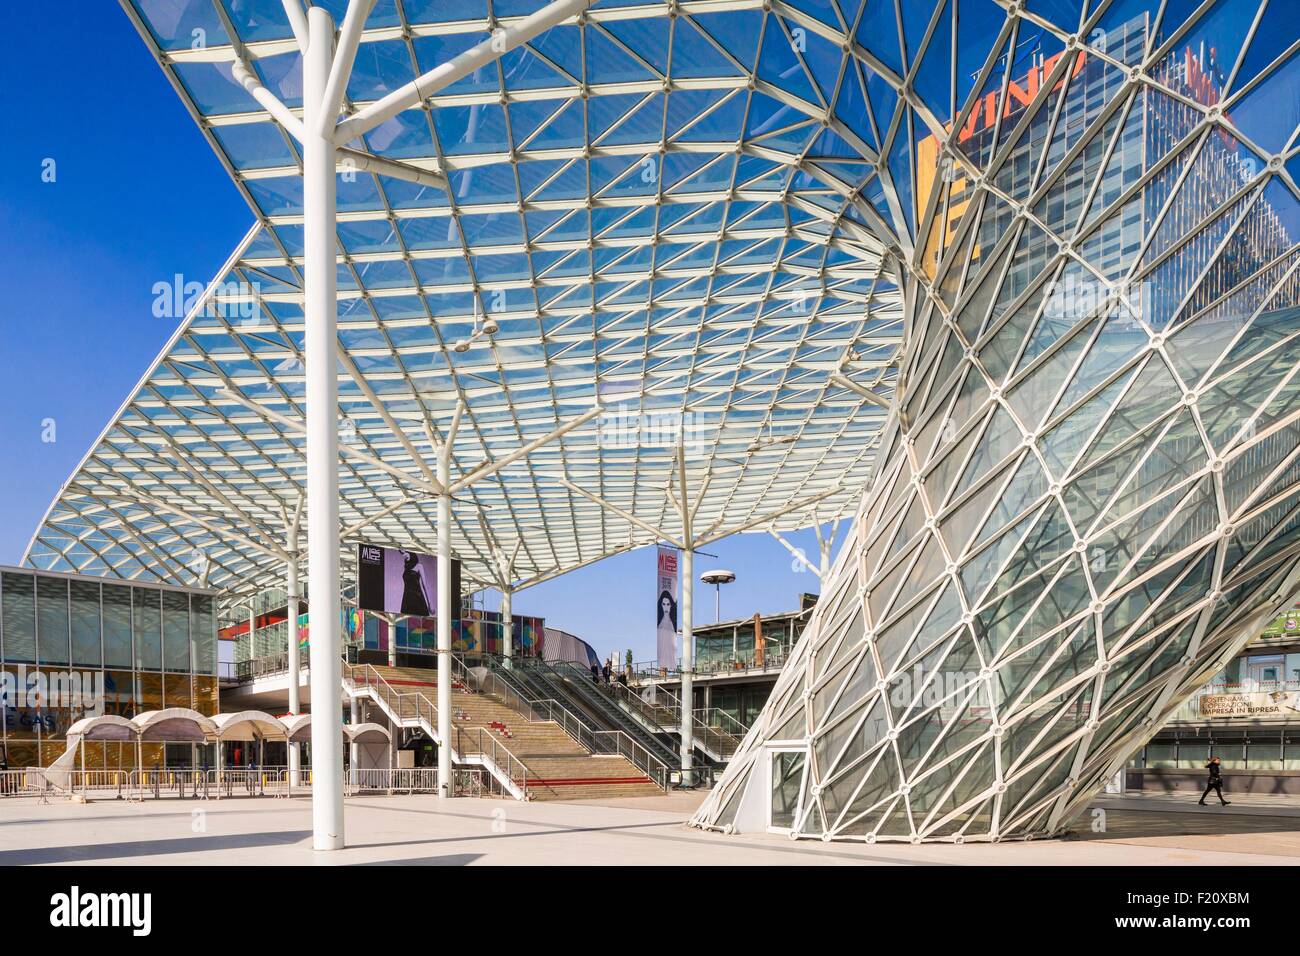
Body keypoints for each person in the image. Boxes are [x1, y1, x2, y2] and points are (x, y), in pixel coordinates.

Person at [399, 551, 432, 617]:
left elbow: (424, 585)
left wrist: (429, 605)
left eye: (405, 552)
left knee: (421, 619)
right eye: (401, 553)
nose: (403, 555)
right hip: (407, 599)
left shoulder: (419, 566)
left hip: (417, 598)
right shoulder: (406, 568)